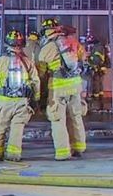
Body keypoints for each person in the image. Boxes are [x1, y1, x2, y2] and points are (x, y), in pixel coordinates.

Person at [36, 18, 87, 160]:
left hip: (58, 88)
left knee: (58, 119)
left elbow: (41, 70)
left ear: (46, 31)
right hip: (76, 86)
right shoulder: (73, 42)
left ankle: (63, 152)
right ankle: (79, 147)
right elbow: (84, 59)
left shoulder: (48, 48)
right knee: (76, 117)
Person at [0, 30, 40, 162]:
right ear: (21, 45)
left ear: (7, 44)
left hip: (4, 102)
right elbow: (36, 82)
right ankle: (13, 155)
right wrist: (35, 100)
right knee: (17, 128)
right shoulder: (28, 63)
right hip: (22, 101)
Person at [84, 33, 108, 111]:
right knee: (99, 84)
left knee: (96, 84)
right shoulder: (99, 46)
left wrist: (89, 60)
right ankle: (99, 99)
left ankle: (96, 100)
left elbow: (97, 59)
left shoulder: (98, 47)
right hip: (100, 68)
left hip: (98, 69)